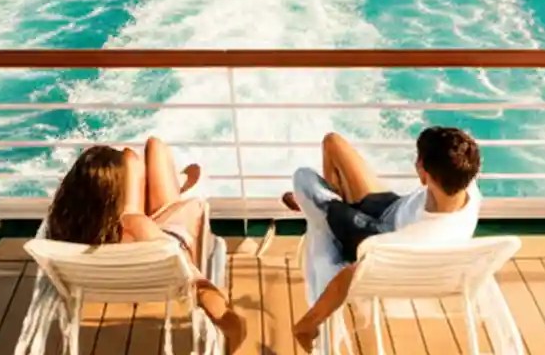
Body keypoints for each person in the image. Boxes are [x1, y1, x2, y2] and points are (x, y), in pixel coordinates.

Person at [283, 127, 482, 351]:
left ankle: (323, 211)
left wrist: (306, 324)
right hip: (394, 209)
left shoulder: (411, 240)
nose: (416, 163)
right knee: (333, 142)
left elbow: (347, 277)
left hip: (379, 234)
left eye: (418, 160)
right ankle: (326, 206)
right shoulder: (467, 186)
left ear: (425, 174)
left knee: (304, 179)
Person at [45, 137, 246, 350]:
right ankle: (180, 191)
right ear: (113, 195)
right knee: (165, 163)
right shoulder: (134, 222)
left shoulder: (61, 226)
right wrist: (226, 316)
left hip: (115, 256)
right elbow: (186, 270)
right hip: (164, 243)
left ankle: (177, 188)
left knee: (132, 157)